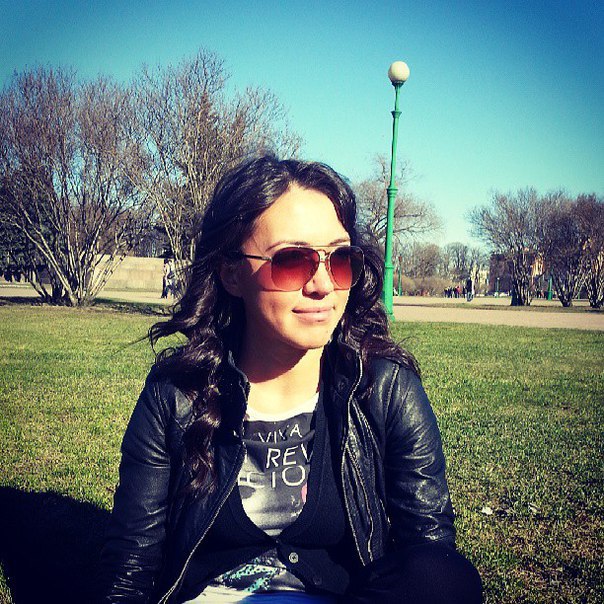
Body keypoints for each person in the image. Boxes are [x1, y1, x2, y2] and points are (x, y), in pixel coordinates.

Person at [100, 156, 482, 604]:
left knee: (447, 579)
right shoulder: (177, 395)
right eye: (291, 260)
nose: (323, 285)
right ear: (231, 273)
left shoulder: (386, 390)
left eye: (340, 259)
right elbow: (131, 567)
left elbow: (429, 554)